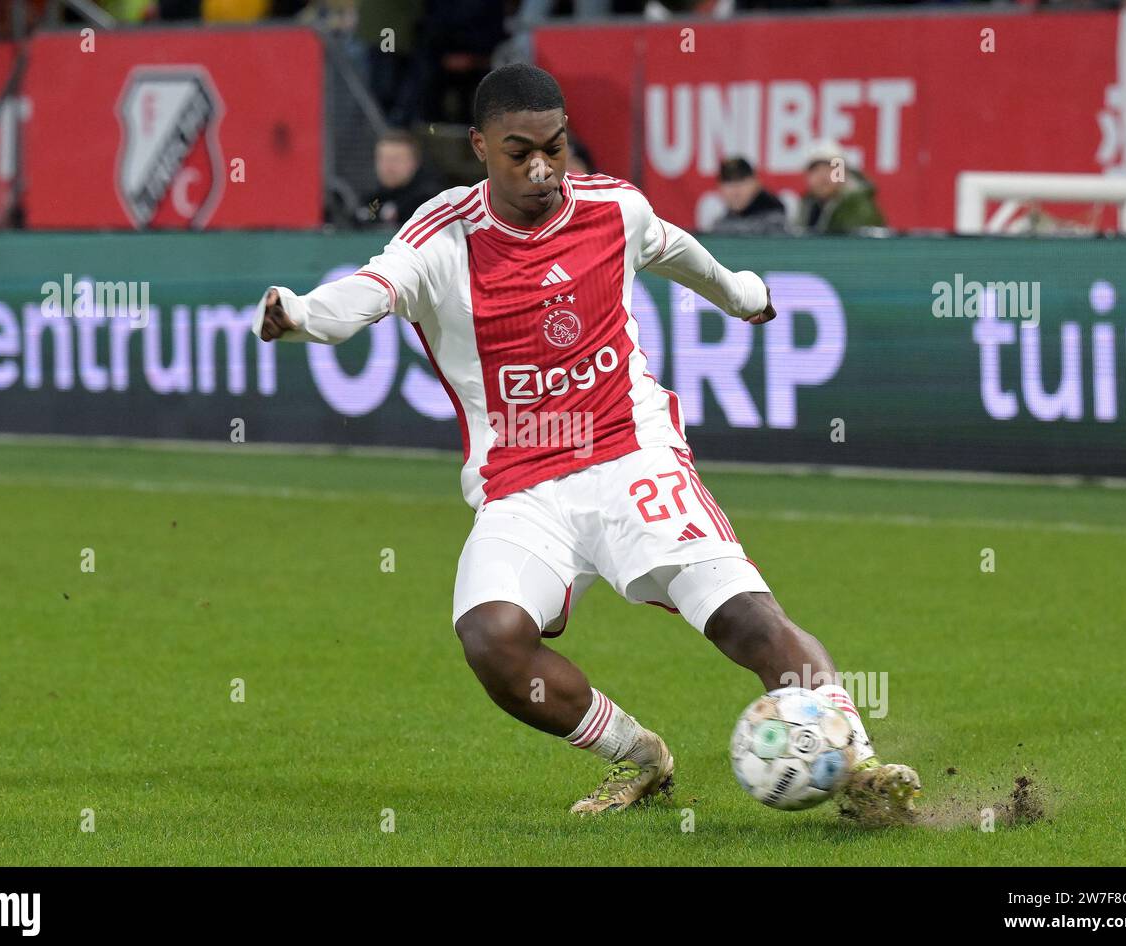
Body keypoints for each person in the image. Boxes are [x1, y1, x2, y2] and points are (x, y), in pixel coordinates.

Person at [254, 64, 920, 820]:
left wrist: (741, 295)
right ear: (479, 147)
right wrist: (304, 313)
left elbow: (678, 251)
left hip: (629, 451)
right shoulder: (444, 236)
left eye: (555, 147)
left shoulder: (611, 208)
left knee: (746, 618)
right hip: (521, 483)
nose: (541, 168)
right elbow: (372, 290)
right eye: (518, 151)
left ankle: (860, 767)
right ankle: (641, 756)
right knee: (491, 641)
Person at [354, 131, 444, 229]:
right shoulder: (373, 200)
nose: (388, 167)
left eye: (396, 159)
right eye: (382, 159)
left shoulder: (431, 201)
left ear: (415, 163)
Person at [795, 139, 886, 235]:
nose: (822, 176)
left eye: (830, 168)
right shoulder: (808, 207)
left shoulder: (859, 207)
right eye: (815, 170)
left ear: (844, 173)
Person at [709, 156, 787, 236]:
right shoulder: (721, 224)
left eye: (742, 182)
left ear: (756, 183)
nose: (735, 191)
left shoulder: (775, 220)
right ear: (719, 187)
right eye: (729, 183)